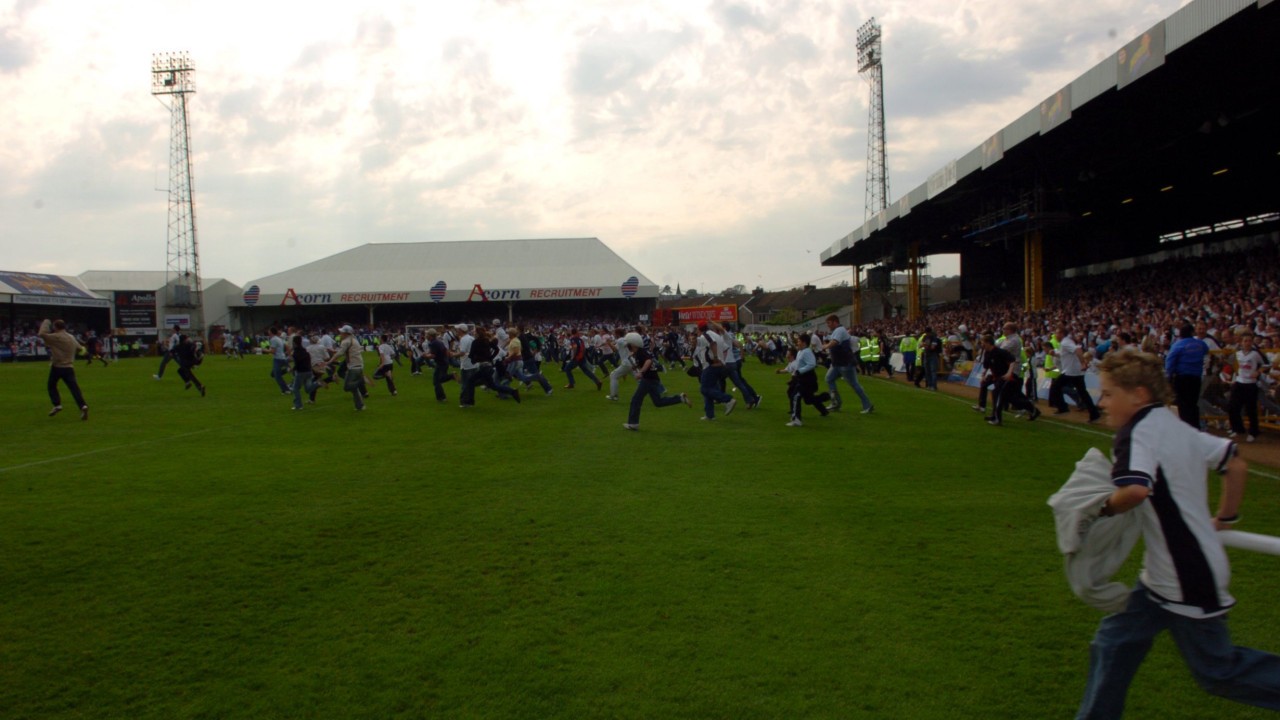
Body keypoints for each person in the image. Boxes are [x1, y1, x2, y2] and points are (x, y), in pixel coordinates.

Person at [1074, 350, 1280, 718]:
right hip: (1165, 573)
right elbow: (1234, 462)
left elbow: (1136, 491)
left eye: (1107, 393)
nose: (1100, 401)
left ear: (1138, 395)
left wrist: (1101, 508)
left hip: (1186, 574)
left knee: (1218, 671)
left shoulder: (1135, 434)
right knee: (1114, 641)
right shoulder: (1172, 423)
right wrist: (1226, 517)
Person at [622, 333, 690, 430]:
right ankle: (680, 398)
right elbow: (645, 362)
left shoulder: (641, 352)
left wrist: (641, 372)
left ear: (633, 344)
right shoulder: (640, 352)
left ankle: (633, 423)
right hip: (652, 379)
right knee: (658, 402)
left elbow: (648, 361)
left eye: (628, 345)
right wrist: (636, 367)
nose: (628, 347)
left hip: (648, 380)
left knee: (636, 400)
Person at [979, 334, 1040, 426]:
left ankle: (997, 419)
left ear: (988, 343)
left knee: (997, 394)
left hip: (1008, 378)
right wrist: (983, 375)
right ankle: (1032, 409)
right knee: (1011, 399)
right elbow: (987, 366)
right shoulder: (987, 353)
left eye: (983, 342)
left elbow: (1012, 361)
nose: (981, 344)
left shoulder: (999, 352)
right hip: (998, 377)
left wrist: (1009, 373)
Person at [821, 315, 874, 414]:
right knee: (829, 379)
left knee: (854, 384)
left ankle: (868, 405)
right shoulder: (837, 331)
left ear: (835, 322)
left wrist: (825, 346)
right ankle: (836, 402)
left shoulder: (840, 330)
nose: (827, 325)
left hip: (845, 363)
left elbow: (835, 342)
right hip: (837, 363)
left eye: (828, 323)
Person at [38, 318, 89, 420]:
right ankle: (83, 406)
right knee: (74, 389)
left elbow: (42, 334)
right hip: (69, 367)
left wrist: (46, 322)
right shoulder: (71, 337)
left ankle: (57, 404)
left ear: (55, 327)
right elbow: (81, 349)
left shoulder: (56, 337)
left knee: (51, 385)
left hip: (57, 367)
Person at [1226, 330, 1270, 443]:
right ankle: (1237, 428)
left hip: (1251, 384)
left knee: (1251, 410)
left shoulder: (1256, 353)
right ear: (1241, 342)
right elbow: (1232, 364)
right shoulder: (1238, 353)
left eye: (1250, 341)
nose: (1247, 343)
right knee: (1232, 407)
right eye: (1245, 341)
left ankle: (1253, 432)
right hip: (1239, 382)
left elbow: (1266, 364)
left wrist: (1258, 372)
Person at [1051, 328, 1102, 423]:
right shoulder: (1066, 342)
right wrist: (1055, 353)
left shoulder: (1065, 342)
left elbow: (1078, 350)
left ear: (1062, 333)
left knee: (1055, 387)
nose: (1055, 335)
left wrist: (1083, 363)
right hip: (1076, 372)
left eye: (1056, 333)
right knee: (1083, 393)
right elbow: (1067, 355)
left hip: (1070, 372)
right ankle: (1094, 414)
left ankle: (1063, 408)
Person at [1164, 323, 1208, 428]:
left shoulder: (1178, 345)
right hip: (1196, 377)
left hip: (1182, 378)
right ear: (1192, 332)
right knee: (1193, 403)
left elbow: (1170, 361)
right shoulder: (1201, 344)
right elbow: (1206, 351)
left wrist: (1168, 376)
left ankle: (1185, 427)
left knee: (1182, 404)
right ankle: (1195, 426)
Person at [781, 335, 830, 427]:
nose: (797, 343)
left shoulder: (807, 352)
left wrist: (800, 371)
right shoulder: (801, 352)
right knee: (808, 400)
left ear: (804, 343)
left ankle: (796, 419)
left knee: (795, 396)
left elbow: (812, 364)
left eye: (799, 341)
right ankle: (826, 397)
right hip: (802, 378)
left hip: (807, 379)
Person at [334, 325, 367, 411]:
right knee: (353, 388)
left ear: (346, 333)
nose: (340, 333)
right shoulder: (353, 340)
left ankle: (361, 381)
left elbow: (340, 353)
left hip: (353, 365)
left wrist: (330, 360)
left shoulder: (346, 341)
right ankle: (360, 406)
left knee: (347, 387)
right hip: (355, 364)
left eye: (342, 332)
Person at [288, 334, 314, 410]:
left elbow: (297, 363)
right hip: (308, 371)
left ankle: (298, 405)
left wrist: (292, 369)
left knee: (295, 388)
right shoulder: (305, 350)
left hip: (301, 372)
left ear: (294, 343)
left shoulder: (296, 353)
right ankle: (317, 384)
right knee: (308, 389)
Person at [267, 327, 291, 394]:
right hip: (282, 358)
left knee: (277, 376)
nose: (268, 332)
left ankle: (286, 389)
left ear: (271, 332)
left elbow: (273, 351)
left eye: (269, 331)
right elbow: (286, 346)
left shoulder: (273, 339)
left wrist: (261, 350)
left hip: (278, 359)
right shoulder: (278, 338)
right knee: (273, 374)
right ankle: (287, 370)